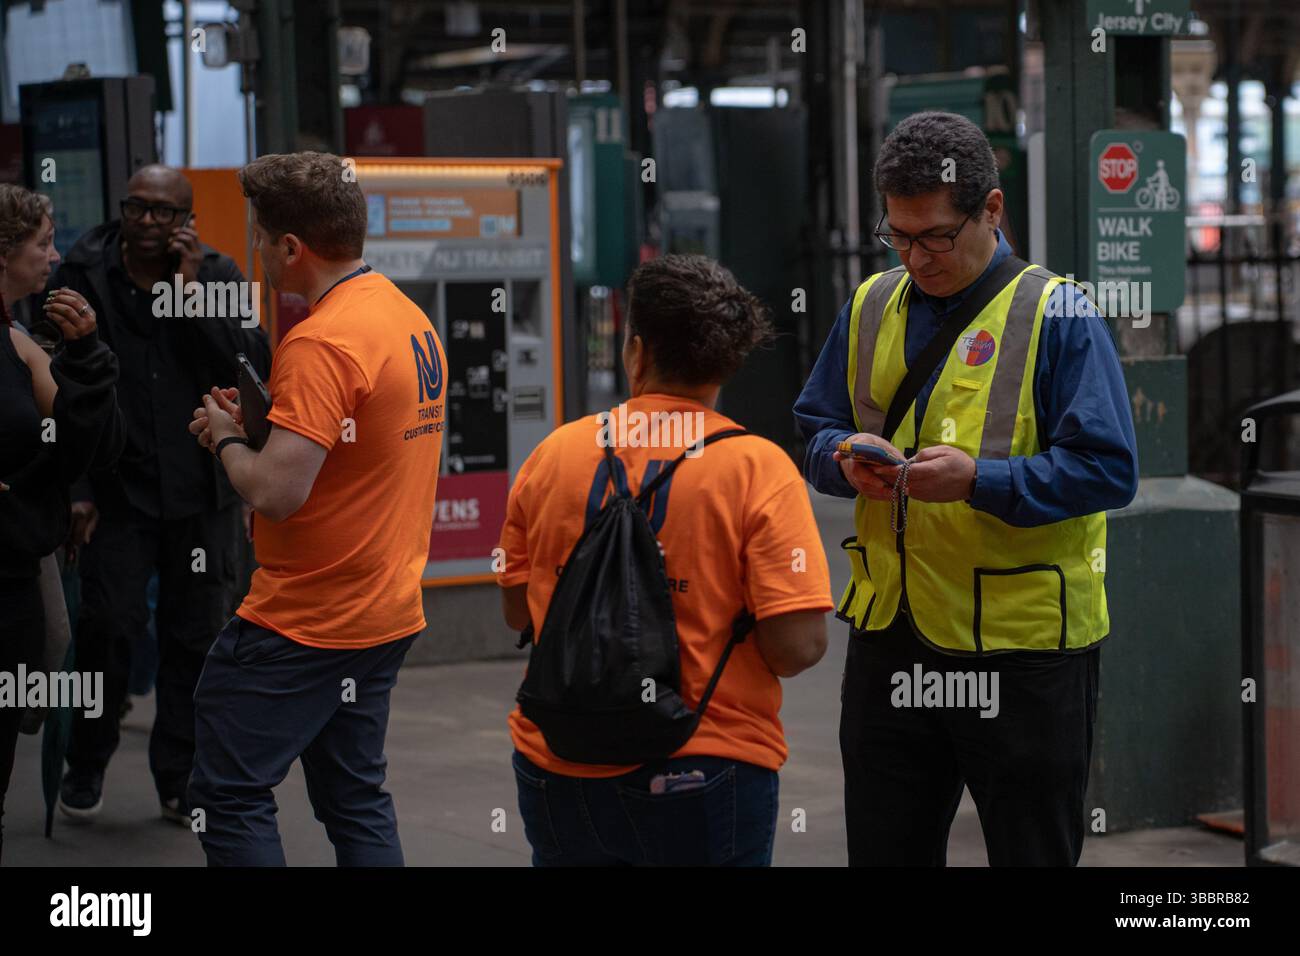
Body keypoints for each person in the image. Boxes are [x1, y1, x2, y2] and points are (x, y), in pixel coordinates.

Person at [794, 111, 1139, 866]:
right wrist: (841, 458)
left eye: (938, 237)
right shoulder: (870, 305)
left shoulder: (1060, 315)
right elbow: (816, 425)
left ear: (992, 209)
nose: (917, 257)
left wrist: (979, 482)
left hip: (1021, 654)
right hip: (892, 635)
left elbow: (1110, 469)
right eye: (900, 235)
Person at [497, 254, 833, 866]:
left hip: (557, 763)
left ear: (637, 350)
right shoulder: (758, 468)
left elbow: (520, 611)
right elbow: (798, 646)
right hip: (704, 766)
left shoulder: (554, 455)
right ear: (728, 361)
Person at [186, 151, 446, 866]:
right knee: (354, 798)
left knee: (228, 796)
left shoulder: (322, 341)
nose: (258, 253)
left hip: (306, 621)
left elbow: (276, 491)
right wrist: (274, 428)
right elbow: (351, 451)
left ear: (291, 248)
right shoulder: (403, 316)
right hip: (384, 611)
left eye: (261, 238)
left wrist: (228, 437)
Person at [52, 165, 270, 825]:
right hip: (118, 489)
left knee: (197, 638)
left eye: (164, 213)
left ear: (187, 221)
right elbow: (61, 388)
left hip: (201, 494)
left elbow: (246, 363)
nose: (148, 222)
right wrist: (78, 488)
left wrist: (192, 292)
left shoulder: (220, 276)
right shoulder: (82, 271)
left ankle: (180, 777)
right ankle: (86, 759)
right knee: (107, 629)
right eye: (137, 208)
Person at [0, 183, 122, 861]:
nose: (52, 258)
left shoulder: (20, 341)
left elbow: (92, 443)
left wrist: (87, 360)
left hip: (16, 572)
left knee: (47, 651)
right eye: (41, 244)